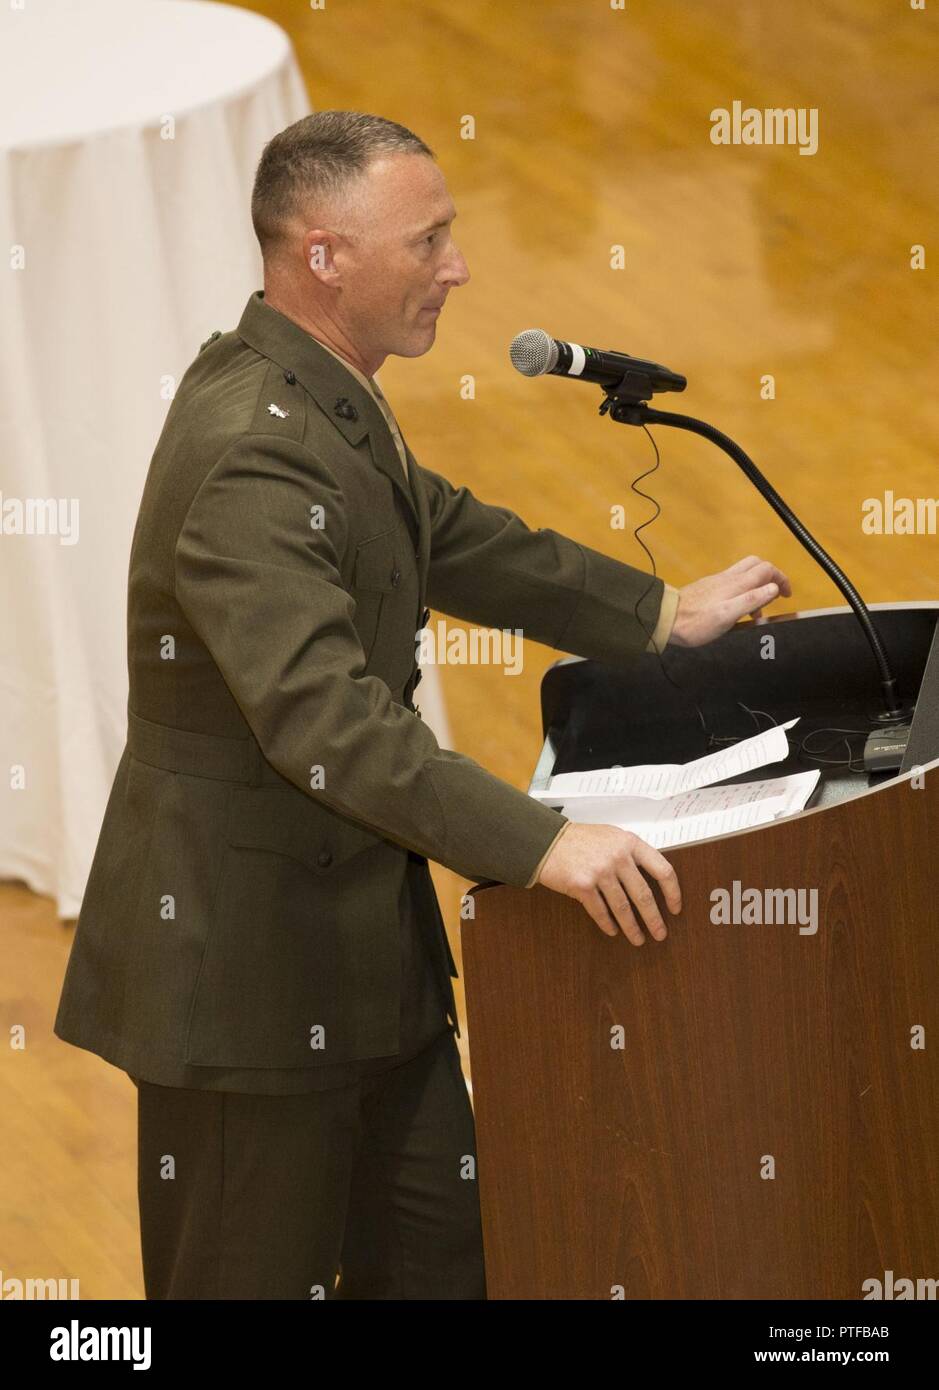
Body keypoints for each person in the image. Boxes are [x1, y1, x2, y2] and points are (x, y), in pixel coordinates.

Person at [54, 110, 791, 1299]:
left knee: (443, 1265)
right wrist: (542, 844)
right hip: (245, 992)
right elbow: (329, 725)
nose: (459, 267)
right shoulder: (252, 448)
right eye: (430, 239)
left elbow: (441, 529)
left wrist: (660, 614)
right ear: (325, 256)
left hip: (363, 962)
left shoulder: (321, 384)